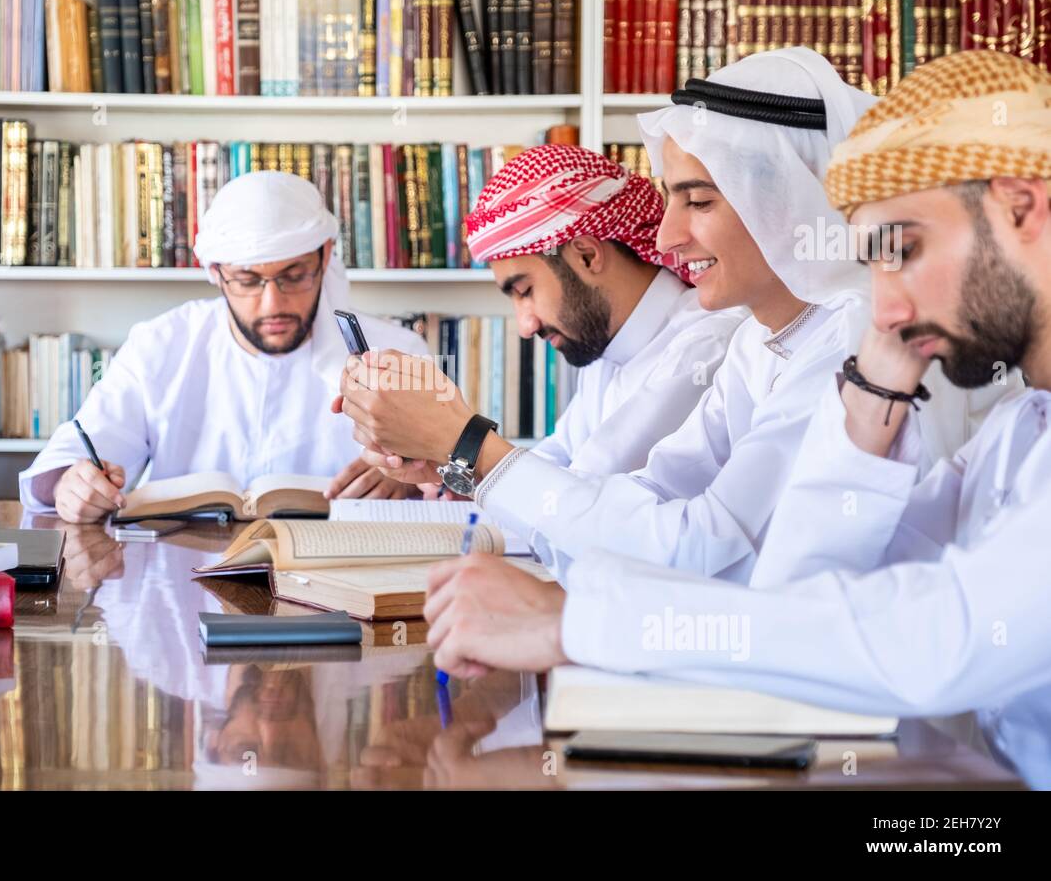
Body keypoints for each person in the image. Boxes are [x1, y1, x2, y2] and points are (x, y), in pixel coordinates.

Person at [422, 50, 1051, 718]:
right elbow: (801, 591)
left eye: (903, 250)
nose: (887, 310)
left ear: (1020, 206)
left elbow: (929, 645)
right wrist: (871, 402)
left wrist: (571, 625)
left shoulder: (860, 343)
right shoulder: (1018, 431)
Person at [344, 48, 889, 583]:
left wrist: (462, 445)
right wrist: (453, 459)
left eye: (698, 202)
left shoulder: (855, 346)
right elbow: (625, 504)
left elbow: (701, 546)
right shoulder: (756, 343)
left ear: (787, 199)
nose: (668, 237)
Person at [331, 145, 745, 560]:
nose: (526, 326)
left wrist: (458, 437)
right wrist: (444, 468)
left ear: (586, 253)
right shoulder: (610, 348)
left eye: (525, 291)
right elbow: (554, 466)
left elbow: (575, 514)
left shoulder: (703, 348)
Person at [19, 170, 428, 522]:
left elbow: (458, 479)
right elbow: (68, 460)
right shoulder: (161, 344)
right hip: (185, 582)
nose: (274, 303)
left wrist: (414, 478)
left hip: (341, 585)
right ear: (215, 273)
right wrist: (70, 485)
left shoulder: (398, 349)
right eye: (248, 280)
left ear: (324, 256)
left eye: (295, 274)